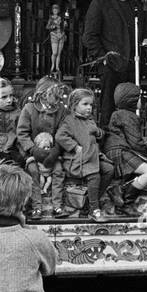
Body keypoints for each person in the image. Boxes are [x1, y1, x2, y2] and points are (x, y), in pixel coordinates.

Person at [82, 0, 142, 128]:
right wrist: (104, 59)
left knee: (131, 109)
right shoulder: (100, 4)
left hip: (131, 66)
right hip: (110, 67)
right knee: (108, 108)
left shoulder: (136, 4)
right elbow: (89, 37)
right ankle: (107, 144)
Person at [54, 88, 116, 220]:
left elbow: (97, 134)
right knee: (94, 175)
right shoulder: (70, 121)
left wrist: (98, 132)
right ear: (74, 105)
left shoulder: (89, 120)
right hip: (78, 159)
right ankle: (94, 210)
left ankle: (89, 201)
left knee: (109, 170)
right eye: (85, 104)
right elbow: (60, 136)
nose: (89, 108)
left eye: (91, 105)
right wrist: (75, 147)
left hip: (93, 156)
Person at [103, 82, 147, 212]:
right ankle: (126, 201)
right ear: (131, 100)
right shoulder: (129, 116)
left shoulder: (117, 113)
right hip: (121, 150)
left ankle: (121, 197)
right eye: (139, 97)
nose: (141, 100)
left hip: (114, 150)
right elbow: (136, 142)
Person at [18, 76, 67, 216]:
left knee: (58, 171)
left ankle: (57, 206)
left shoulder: (61, 110)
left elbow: (63, 132)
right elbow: (22, 133)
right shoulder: (29, 109)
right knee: (33, 171)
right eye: (55, 96)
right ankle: (36, 207)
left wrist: (56, 150)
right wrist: (33, 150)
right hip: (34, 153)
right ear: (44, 94)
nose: (58, 100)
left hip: (53, 153)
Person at [46, 3, 68, 77]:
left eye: (56, 9)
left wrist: (65, 24)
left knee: (59, 53)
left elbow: (64, 26)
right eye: (54, 9)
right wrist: (53, 26)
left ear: (58, 11)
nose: (55, 10)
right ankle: (52, 65)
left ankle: (57, 66)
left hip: (61, 35)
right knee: (54, 52)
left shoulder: (61, 18)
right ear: (52, 10)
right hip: (54, 35)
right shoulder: (51, 18)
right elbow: (47, 27)